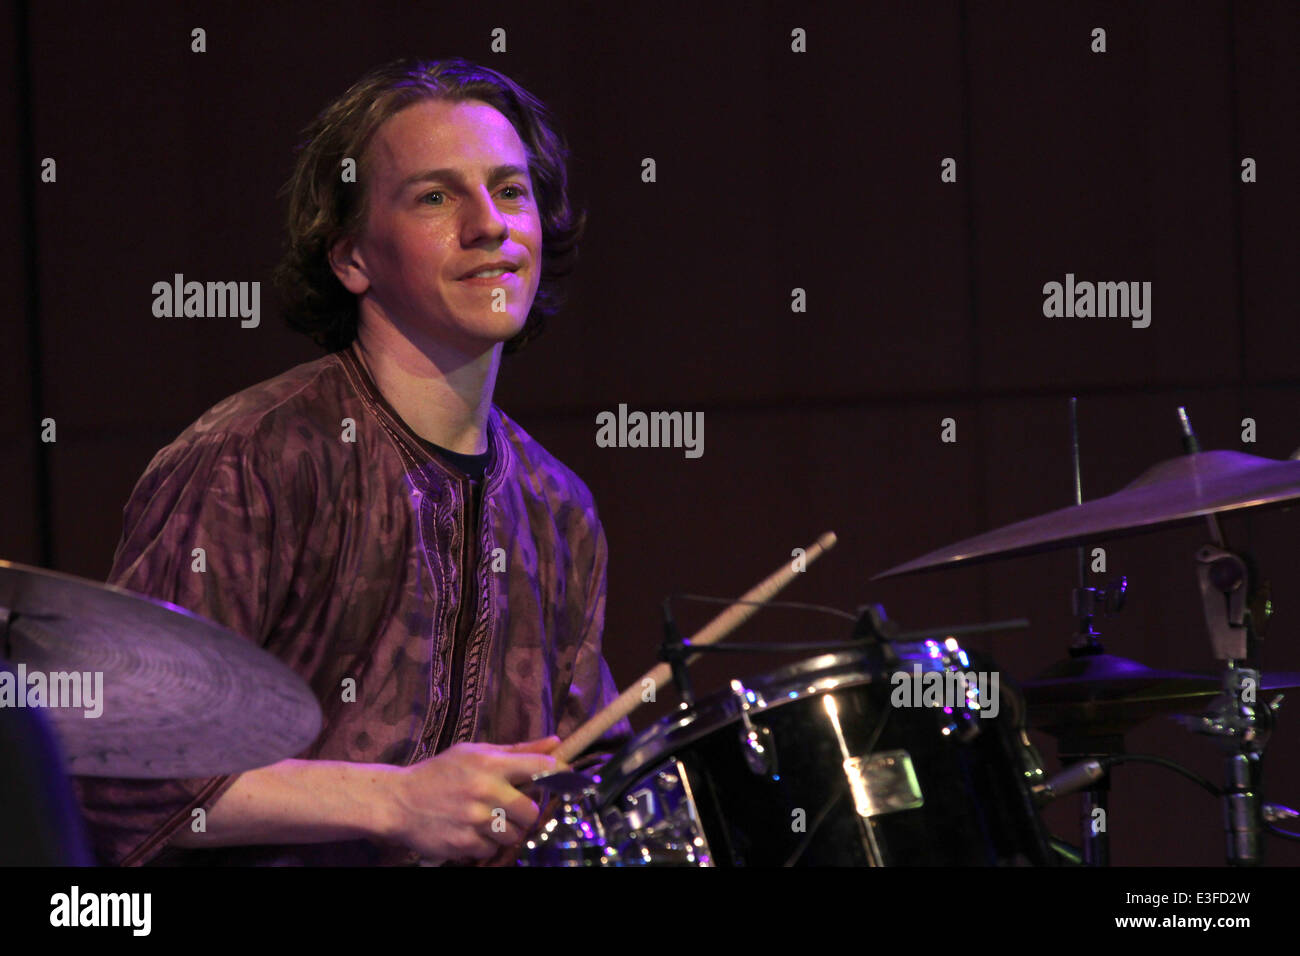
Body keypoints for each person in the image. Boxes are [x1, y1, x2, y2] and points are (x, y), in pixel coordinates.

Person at [73, 57, 629, 866]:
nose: (490, 224)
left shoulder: (558, 505)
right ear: (351, 258)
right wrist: (396, 801)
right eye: (436, 197)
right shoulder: (254, 456)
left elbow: (586, 783)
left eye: (510, 191)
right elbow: (118, 767)